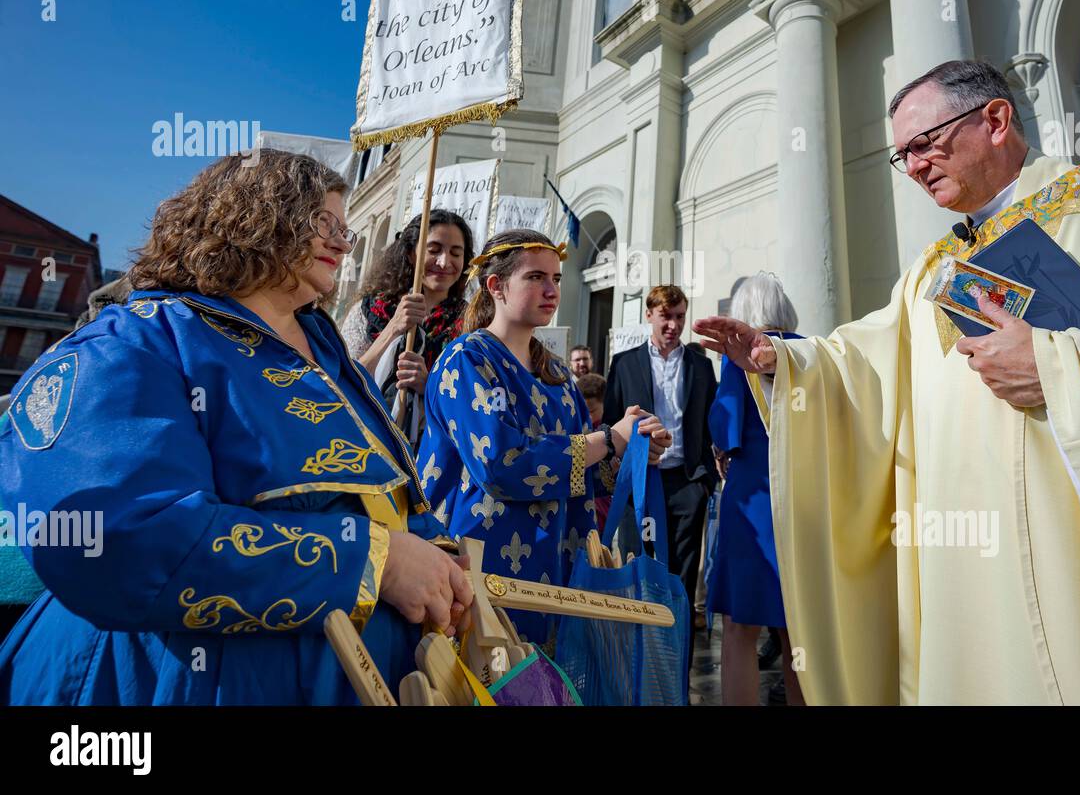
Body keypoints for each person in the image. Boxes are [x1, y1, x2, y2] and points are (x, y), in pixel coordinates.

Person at [695, 58, 1080, 705]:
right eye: (904, 156)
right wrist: (786, 362)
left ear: (995, 118)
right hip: (972, 565)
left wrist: (1061, 368)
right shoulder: (934, 271)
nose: (917, 167)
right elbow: (870, 365)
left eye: (925, 144)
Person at [0, 150, 472, 704]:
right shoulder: (133, 342)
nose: (344, 245)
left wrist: (432, 552)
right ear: (251, 214)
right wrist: (370, 564)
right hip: (183, 682)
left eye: (346, 229)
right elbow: (109, 535)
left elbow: (371, 497)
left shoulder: (327, 353)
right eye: (324, 224)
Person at [417, 229, 669, 649]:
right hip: (483, 567)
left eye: (556, 278)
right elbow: (502, 466)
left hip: (556, 568)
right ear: (496, 286)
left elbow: (575, 476)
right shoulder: (466, 360)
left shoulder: (556, 374)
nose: (551, 290)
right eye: (535, 277)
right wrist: (607, 440)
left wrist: (632, 452)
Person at [707, 272, 804, 706]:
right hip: (803, 492)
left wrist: (719, 444)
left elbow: (726, 424)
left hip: (753, 493)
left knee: (739, 625)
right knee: (797, 628)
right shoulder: (806, 347)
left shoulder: (742, 353)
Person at [604, 285, 718, 615]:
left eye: (680, 317)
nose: (673, 325)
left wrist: (705, 479)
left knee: (681, 578)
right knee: (638, 568)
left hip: (686, 484)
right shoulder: (624, 364)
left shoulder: (700, 365)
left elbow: (710, 421)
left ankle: (677, 659)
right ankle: (638, 655)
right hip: (640, 484)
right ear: (650, 315)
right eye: (666, 317)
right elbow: (612, 421)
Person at [340, 210, 473, 447]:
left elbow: (472, 402)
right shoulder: (368, 310)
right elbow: (344, 380)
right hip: (365, 444)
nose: (444, 262)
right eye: (433, 250)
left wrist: (429, 385)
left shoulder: (473, 322)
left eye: (456, 253)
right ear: (411, 254)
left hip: (431, 455)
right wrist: (393, 328)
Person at [575, 373, 613, 532]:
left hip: (602, 510)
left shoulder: (611, 432)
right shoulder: (575, 428)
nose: (588, 417)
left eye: (592, 411)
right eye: (583, 411)